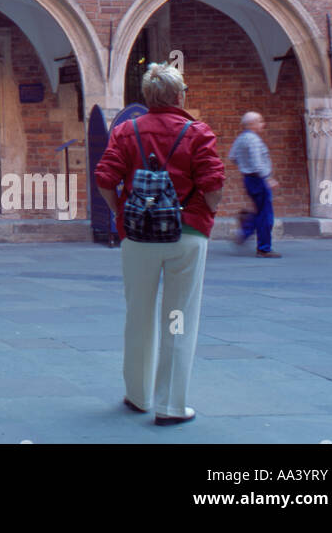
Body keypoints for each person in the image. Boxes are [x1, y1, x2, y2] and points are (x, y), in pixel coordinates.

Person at [95, 62, 225, 426]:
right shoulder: (197, 132)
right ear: (180, 94)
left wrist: (123, 212)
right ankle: (171, 404)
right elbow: (213, 186)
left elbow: (105, 178)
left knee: (138, 314)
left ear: (148, 97)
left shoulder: (126, 131)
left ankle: (138, 395)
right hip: (187, 233)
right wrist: (200, 216)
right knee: (179, 316)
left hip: (138, 235)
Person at [229, 111, 281, 257]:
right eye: (260, 121)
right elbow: (257, 162)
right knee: (265, 214)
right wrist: (267, 178)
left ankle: (245, 231)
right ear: (251, 124)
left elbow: (232, 156)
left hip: (249, 179)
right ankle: (263, 248)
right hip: (259, 179)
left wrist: (244, 167)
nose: (262, 124)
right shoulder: (253, 140)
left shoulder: (241, 138)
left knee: (260, 210)